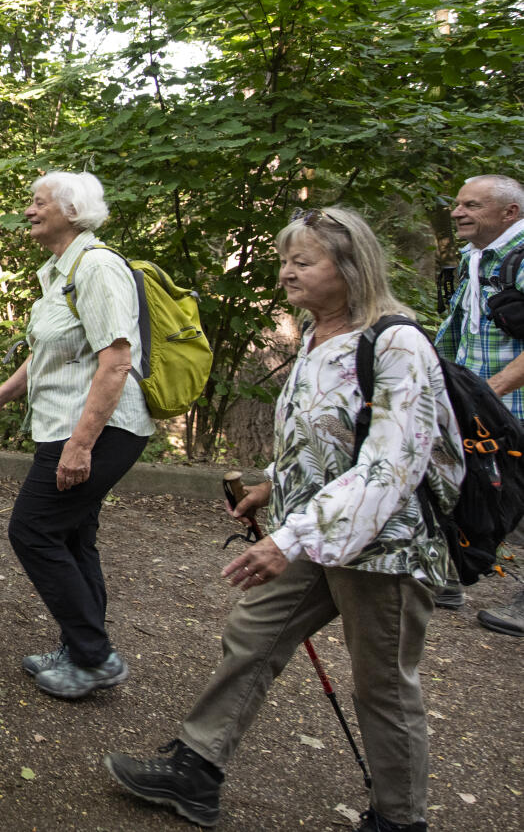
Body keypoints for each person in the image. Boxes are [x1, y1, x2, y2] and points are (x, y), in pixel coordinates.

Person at [106, 207, 462, 832]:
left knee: (381, 684)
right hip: (309, 536)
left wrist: (289, 537)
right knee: (252, 634)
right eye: (284, 261)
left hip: (385, 548)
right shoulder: (313, 335)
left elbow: (391, 466)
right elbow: (322, 439)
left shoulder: (397, 341)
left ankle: (400, 819)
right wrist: (273, 482)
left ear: (351, 268)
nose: (286, 273)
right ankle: (196, 768)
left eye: (303, 262)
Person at [0, 171, 154, 700]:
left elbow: (116, 361)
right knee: (72, 535)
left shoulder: (97, 268)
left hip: (100, 429)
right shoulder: (59, 272)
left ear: (71, 211)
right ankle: (80, 647)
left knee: (33, 530)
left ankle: (95, 657)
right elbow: (50, 350)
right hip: (68, 426)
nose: (28, 209)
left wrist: (81, 443)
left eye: (38, 202)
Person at [434, 174, 524, 632]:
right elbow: (460, 331)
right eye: (457, 204)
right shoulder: (474, 258)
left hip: (510, 400)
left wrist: (490, 394)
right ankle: (448, 575)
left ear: (510, 212)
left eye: (471, 205)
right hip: (483, 402)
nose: (457, 213)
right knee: (459, 478)